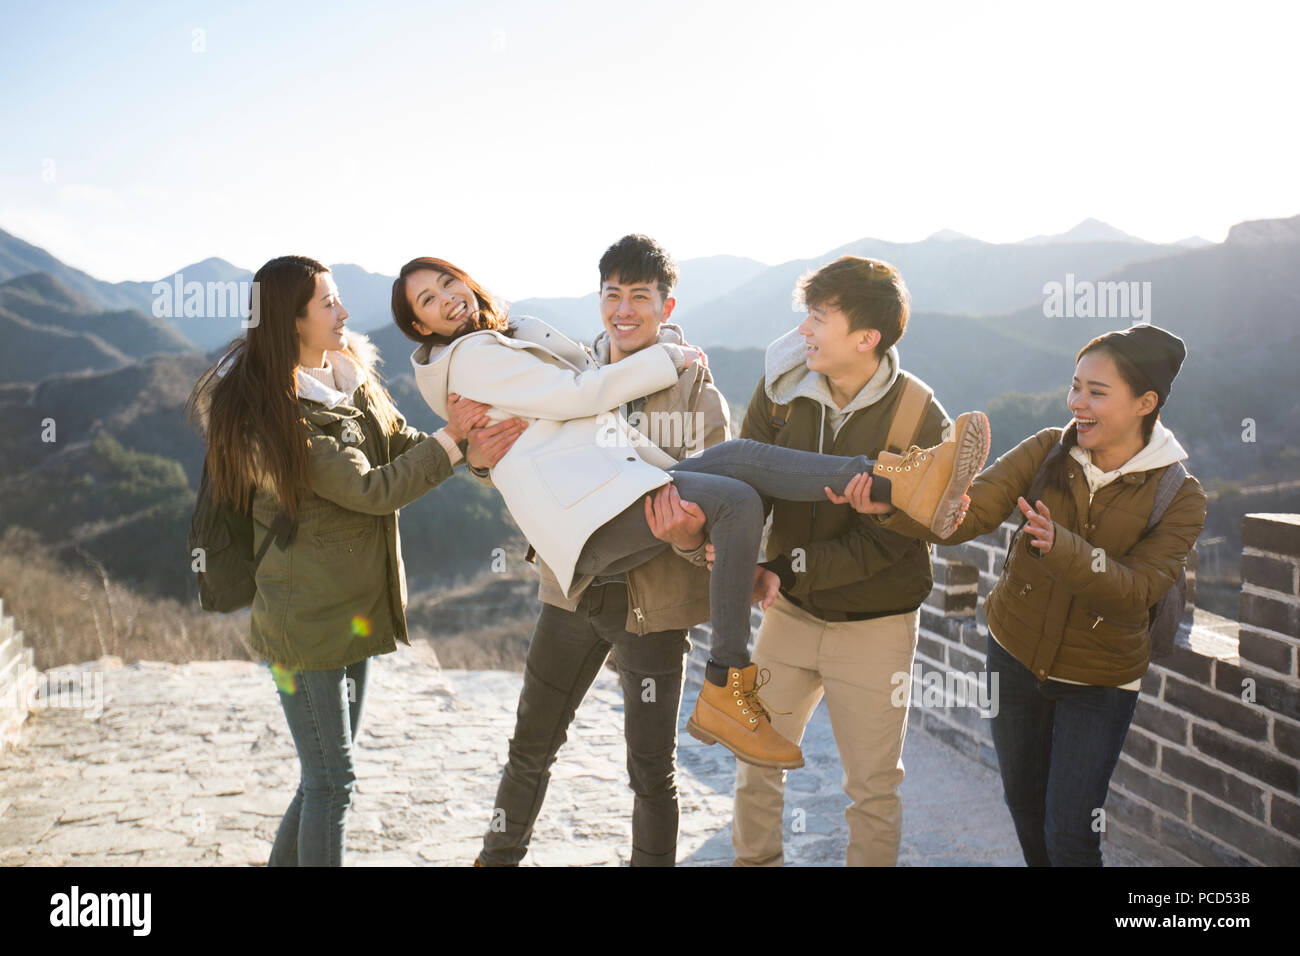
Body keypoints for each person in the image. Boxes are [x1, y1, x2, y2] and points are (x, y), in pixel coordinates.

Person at [394, 255, 993, 775]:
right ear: (420, 323)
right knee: (738, 498)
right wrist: (668, 360)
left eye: (449, 281)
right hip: (591, 513)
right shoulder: (472, 356)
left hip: (615, 485)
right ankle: (726, 684)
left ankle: (896, 481)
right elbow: (579, 396)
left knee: (740, 457)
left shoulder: (506, 338)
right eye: (430, 298)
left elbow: (558, 401)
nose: (448, 297)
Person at [839, 324, 1207, 866]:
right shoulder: (1046, 450)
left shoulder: (1180, 496)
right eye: (1075, 386)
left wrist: (1062, 547)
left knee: (1072, 835)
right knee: (1026, 809)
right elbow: (972, 510)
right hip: (1012, 657)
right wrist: (895, 508)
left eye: (1096, 392)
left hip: (1100, 681)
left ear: (1145, 403)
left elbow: (1138, 590)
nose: (1076, 402)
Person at [186, 255, 512, 866]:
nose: (343, 312)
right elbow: (371, 490)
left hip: (353, 615)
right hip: (303, 628)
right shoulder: (275, 414)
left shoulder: (348, 375)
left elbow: (400, 445)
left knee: (322, 779)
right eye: (328, 303)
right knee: (332, 782)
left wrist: (469, 444)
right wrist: (454, 440)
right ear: (291, 321)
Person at [463, 234, 731, 866]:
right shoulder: (569, 378)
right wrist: (478, 460)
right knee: (530, 745)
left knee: (651, 770)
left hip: (656, 605)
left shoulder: (696, 395)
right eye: (613, 294)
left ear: (666, 306)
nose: (624, 310)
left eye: (640, 296)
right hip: (571, 592)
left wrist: (688, 536)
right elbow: (511, 450)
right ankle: (495, 859)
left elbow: (719, 520)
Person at [723, 256, 955, 867]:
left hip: (876, 627)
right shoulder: (780, 394)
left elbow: (891, 542)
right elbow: (748, 482)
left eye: (820, 318)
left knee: (873, 790)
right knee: (756, 760)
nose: (805, 330)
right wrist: (743, 560)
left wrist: (785, 569)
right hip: (790, 616)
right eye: (807, 315)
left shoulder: (919, 417)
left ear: (866, 338)